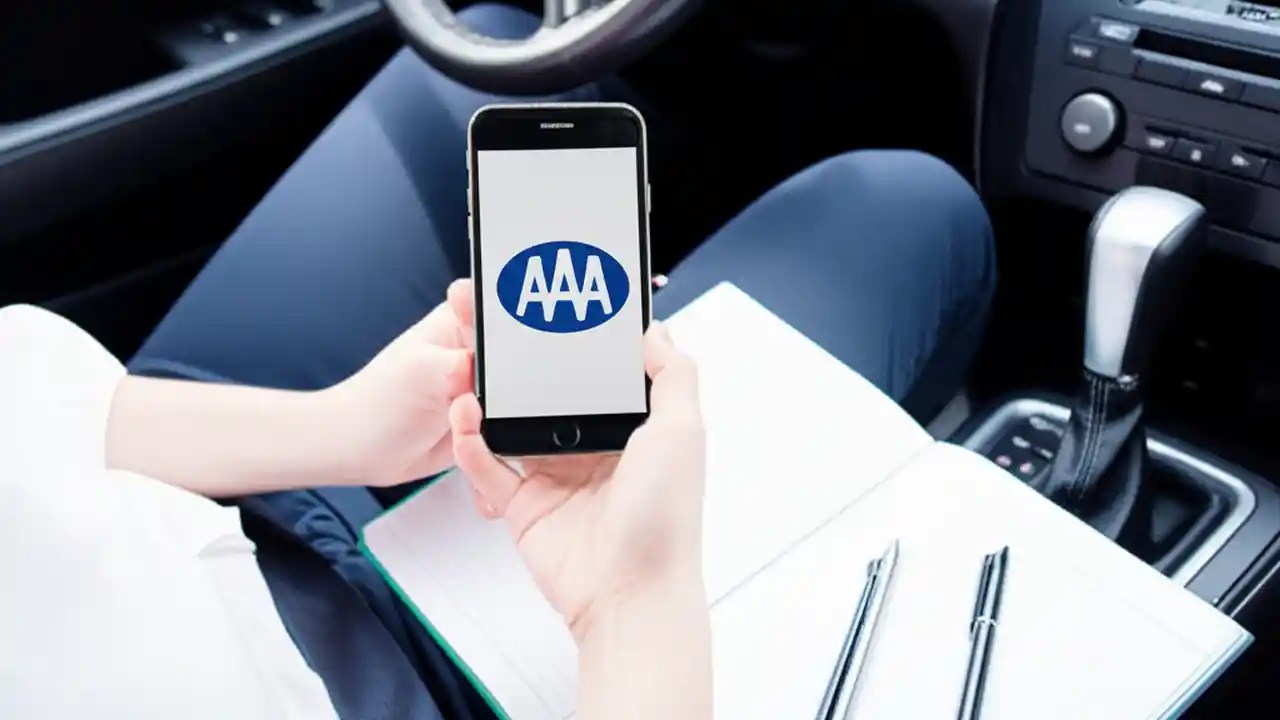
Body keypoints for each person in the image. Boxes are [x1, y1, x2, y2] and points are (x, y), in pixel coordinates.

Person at [0, 3, 994, 718]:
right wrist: (629, 607)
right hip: (387, 689)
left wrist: (338, 431)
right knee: (905, 206)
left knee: (487, 41)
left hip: (165, 474)